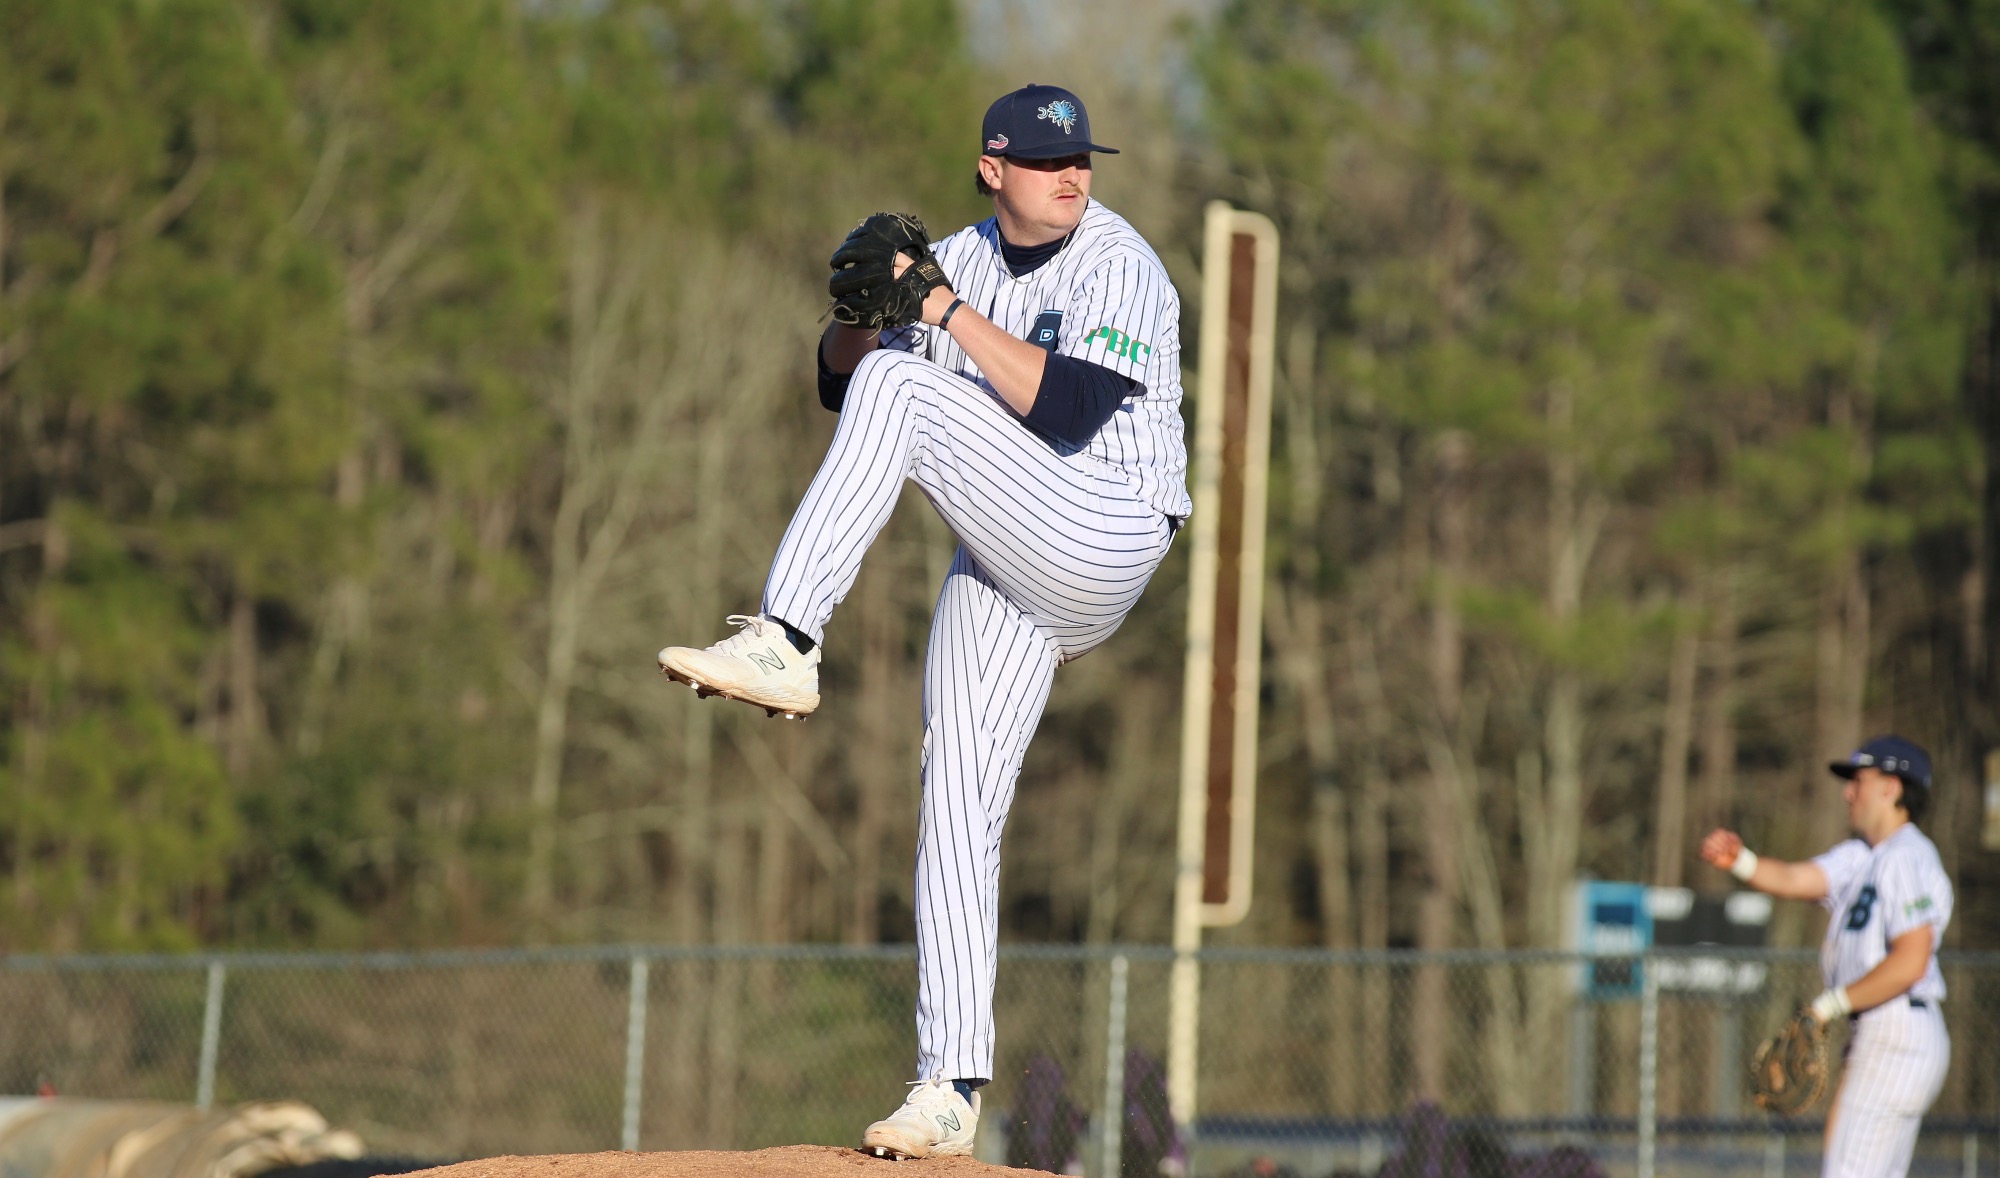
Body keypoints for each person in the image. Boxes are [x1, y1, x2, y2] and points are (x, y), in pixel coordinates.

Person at [656, 83, 1189, 1158]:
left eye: (1082, 157)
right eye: (1047, 161)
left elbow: (1074, 411)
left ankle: (788, 635)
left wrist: (933, 314)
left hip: (1105, 523)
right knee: (954, 796)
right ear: (992, 169)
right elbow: (830, 377)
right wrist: (863, 319)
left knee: (907, 384)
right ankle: (947, 1086)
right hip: (1009, 555)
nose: (1073, 174)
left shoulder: (1116, 261)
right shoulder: (959, 253)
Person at [1699, 736, 1953, 1178]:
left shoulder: (1907, 856)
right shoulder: (1863, 856)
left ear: (1891, 788)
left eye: (1858, 780)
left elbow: (1911, 960)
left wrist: (1828, 1005)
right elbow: (1799, 878)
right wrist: (1740, 861)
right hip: (1884, 1031)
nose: (1847, 792)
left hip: (1896, 1027)